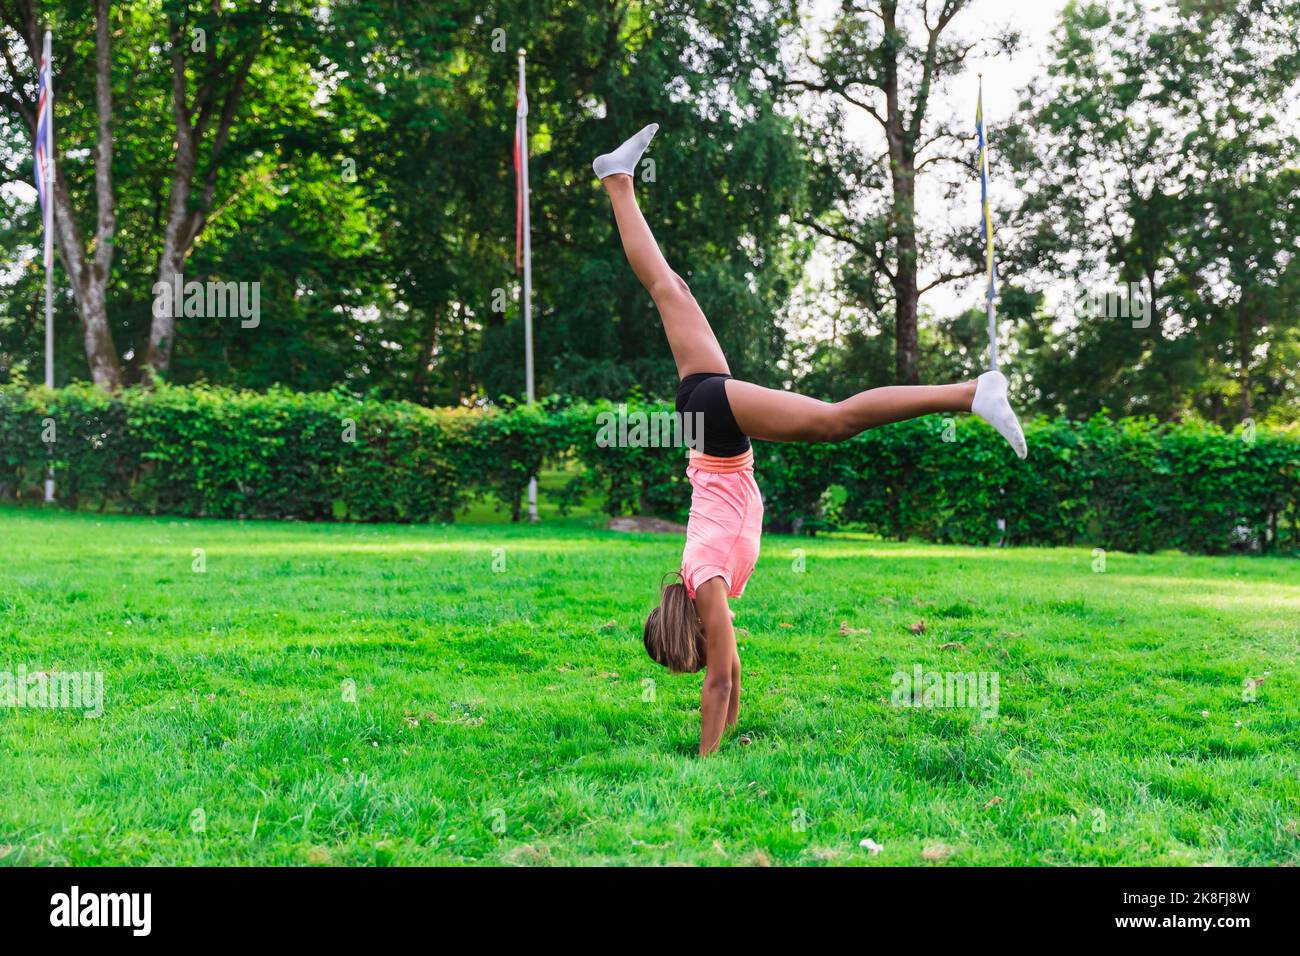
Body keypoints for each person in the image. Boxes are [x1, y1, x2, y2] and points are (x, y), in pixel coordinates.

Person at [594, 125, 1027, 755]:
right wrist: (732, 734)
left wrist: (705, 758)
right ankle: (618, 180)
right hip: (704, 421)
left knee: (833, 421)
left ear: (692, 633)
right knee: (670, 289)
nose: (711, 655)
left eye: (691, 657)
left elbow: (718, 682)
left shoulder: (707, 583)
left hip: (714, 428)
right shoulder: (704, 589)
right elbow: (730, 675)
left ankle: (970, 393)